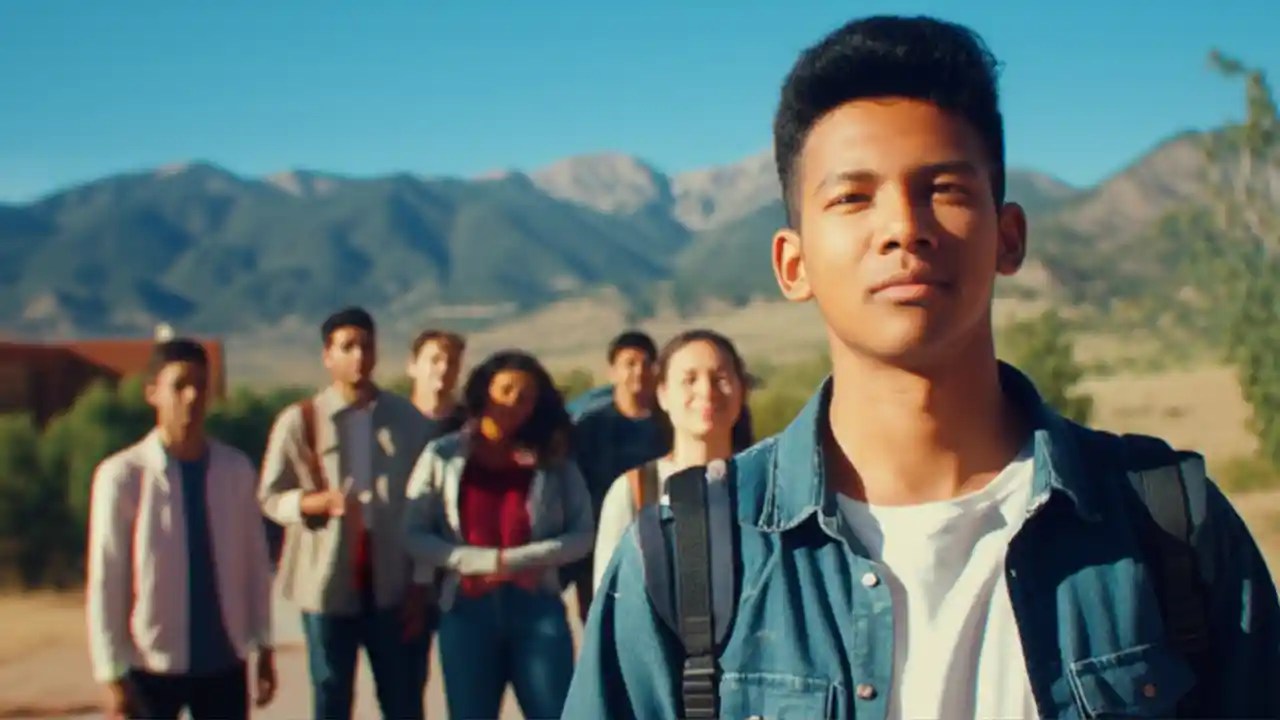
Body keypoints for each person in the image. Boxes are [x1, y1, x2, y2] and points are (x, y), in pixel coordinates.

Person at [566, 14, 1280, 720]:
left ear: (1009, 237)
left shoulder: (1166, 525)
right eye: (852, 197)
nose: (904, 228)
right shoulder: (690, 557)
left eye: (944, 189)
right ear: (793, 263)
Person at [86, 339, 276, 720]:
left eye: (201, 386)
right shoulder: (123, 476)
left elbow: (254, 562)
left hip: (224, 661)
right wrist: (111, 672)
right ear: (152, 392)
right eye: (179, 386)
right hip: (151, 663)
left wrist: (264, 645)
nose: (191, 397)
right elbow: (107, 577)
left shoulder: (234, 470)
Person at [259, 307, 434, 720]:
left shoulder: (406, 420)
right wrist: (309, 503)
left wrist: (421, 582)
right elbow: (268, 496)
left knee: (403, 697)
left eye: (366, 346)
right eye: (347, 346)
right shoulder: (299, 421)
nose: (359, 355)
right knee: (331, 693)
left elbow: (429, 504)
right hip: (325, 581)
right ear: (328, 356)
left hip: (392, 580)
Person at [402, 350, 593, 720]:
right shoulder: (444, 455)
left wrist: (519, 560)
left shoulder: (553, 462)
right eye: (505, 390)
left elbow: (583, 533)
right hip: (466, 609)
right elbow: (414, 533)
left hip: (537, 606)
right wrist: (475, 561)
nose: (513, 403)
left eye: (526, 397)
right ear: (483, 391)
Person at [591, 329, 750, 591]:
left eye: (720, 378)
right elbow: (609, 601)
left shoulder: (767, 483)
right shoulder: (636, 491)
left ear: (741, 389)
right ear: (662, 394)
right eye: (689, 380)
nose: (706, 391)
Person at [564, 330, 666, 619]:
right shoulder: (589, 426)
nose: (639, 372)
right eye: (629, 363)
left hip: (660, 542)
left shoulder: (669, 426)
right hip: (599, 543)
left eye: (647, 363)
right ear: (612, 372)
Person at [406, 328, 468, 436]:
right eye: (435, 360)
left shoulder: (469, 428)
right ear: (412, 366)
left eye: (451, 362)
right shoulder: (392, 421)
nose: (444, 368)